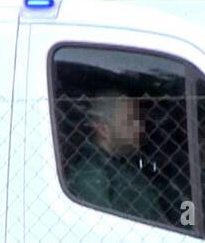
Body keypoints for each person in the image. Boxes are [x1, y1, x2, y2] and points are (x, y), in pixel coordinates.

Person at [66, 91, 166, 223]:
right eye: (130, 122)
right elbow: (102, 227)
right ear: (103, 130)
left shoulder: (127, 164)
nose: (139, 127)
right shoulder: (91, 174)